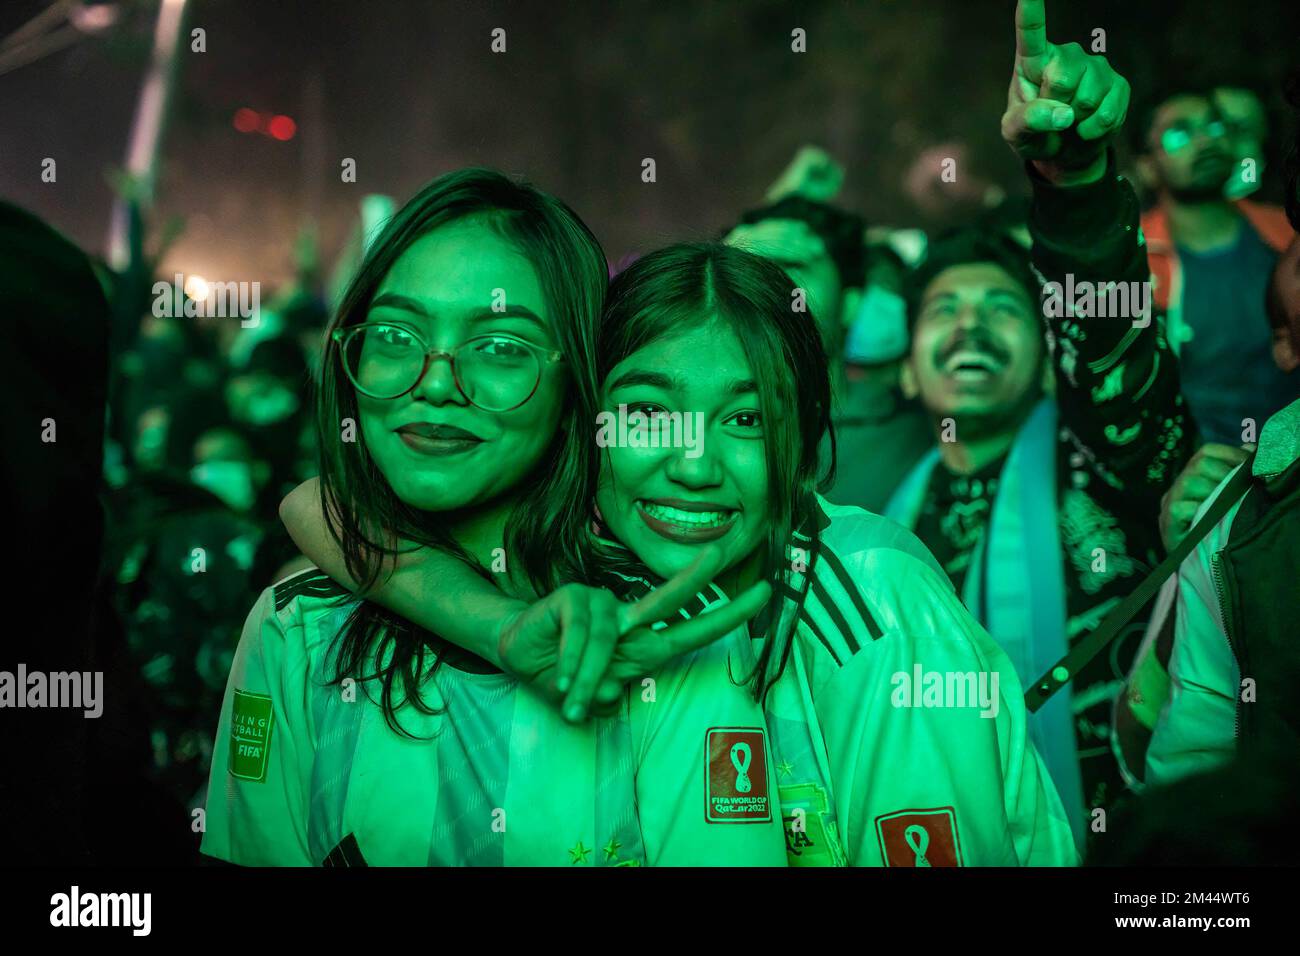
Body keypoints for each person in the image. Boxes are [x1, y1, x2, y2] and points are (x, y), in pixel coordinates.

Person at [286, 239, 1076, 867]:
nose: (693, 465)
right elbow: (319, 505)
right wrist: (494, 625)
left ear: (800, 444)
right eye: (646, 413)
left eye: (746, 420)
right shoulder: (580, 559)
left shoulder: (872, 608)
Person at [202, 168, 778, 867]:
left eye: (502, 347)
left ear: (579, 381)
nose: (437, 383)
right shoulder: (293, 629)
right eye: (394, 334)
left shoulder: (669, 635)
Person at [881, 0, 1195, 846]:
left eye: (1003, 309)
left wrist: (1077, 187)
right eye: (945, 309)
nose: (973, 326)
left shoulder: (1107, 459)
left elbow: (1113, 357)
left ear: (1048, 345)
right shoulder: (871, 534)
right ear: (908, 368)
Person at [1132, 83, 1297, 444]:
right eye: (1180, 134)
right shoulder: (1132, 259)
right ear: (1147, 167)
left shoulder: (1287, 234)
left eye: (1215, 126)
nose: (1206, 141)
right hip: (1193, 475)